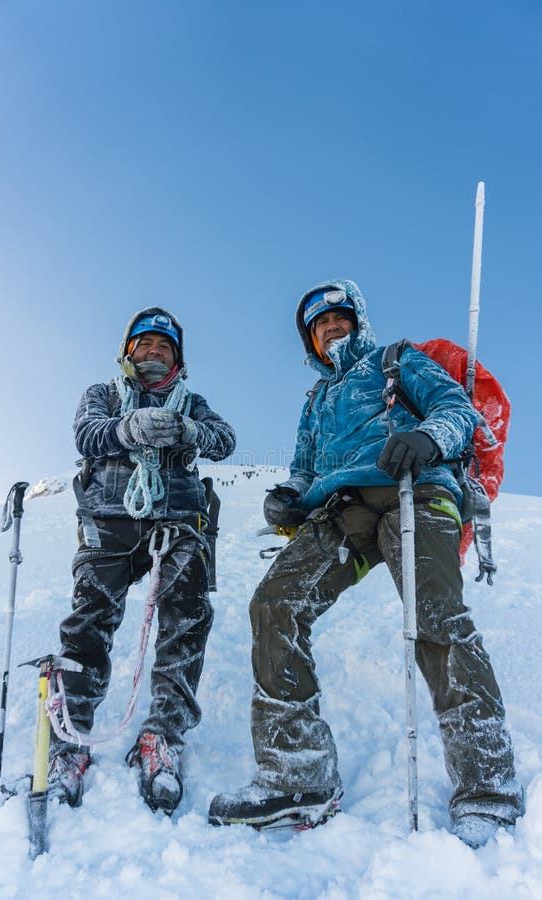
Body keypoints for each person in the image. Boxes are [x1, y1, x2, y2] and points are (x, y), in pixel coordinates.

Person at [208, 279, 524, 847]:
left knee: (435, 614)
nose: (330, 326)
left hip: (416, 487)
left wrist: (428, 438)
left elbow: (455, 409)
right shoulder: (316, 401)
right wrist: (288, 495)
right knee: (275, 603)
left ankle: (487, 786)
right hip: (341, 508)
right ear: (309, 337)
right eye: (318, 323)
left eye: (338, 316)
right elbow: (305, 469)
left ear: (356, 318)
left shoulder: (396, 360)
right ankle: (298, 774)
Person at [47, 306, 235, 814]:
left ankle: (163, 737)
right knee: (87, 626)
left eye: (165, 347)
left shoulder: (192, 403)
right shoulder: (103, 395)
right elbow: (86, 434)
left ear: (177, 359)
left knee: (186, 620)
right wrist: (126, 429)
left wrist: (190, 432)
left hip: (178, 522)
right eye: (145, 345)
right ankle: (69, 743)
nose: (154, 353)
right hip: (109, 519)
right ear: (129, 351)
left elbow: (225, 440)